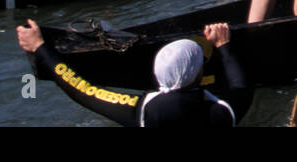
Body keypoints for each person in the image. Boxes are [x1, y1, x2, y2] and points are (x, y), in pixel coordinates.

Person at [16, 19, 252, 127]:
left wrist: (41, 48)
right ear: (200, 72)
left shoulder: (142, 111)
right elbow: (241, 85)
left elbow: (82, 89)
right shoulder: (220, 111)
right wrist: (224, 45)